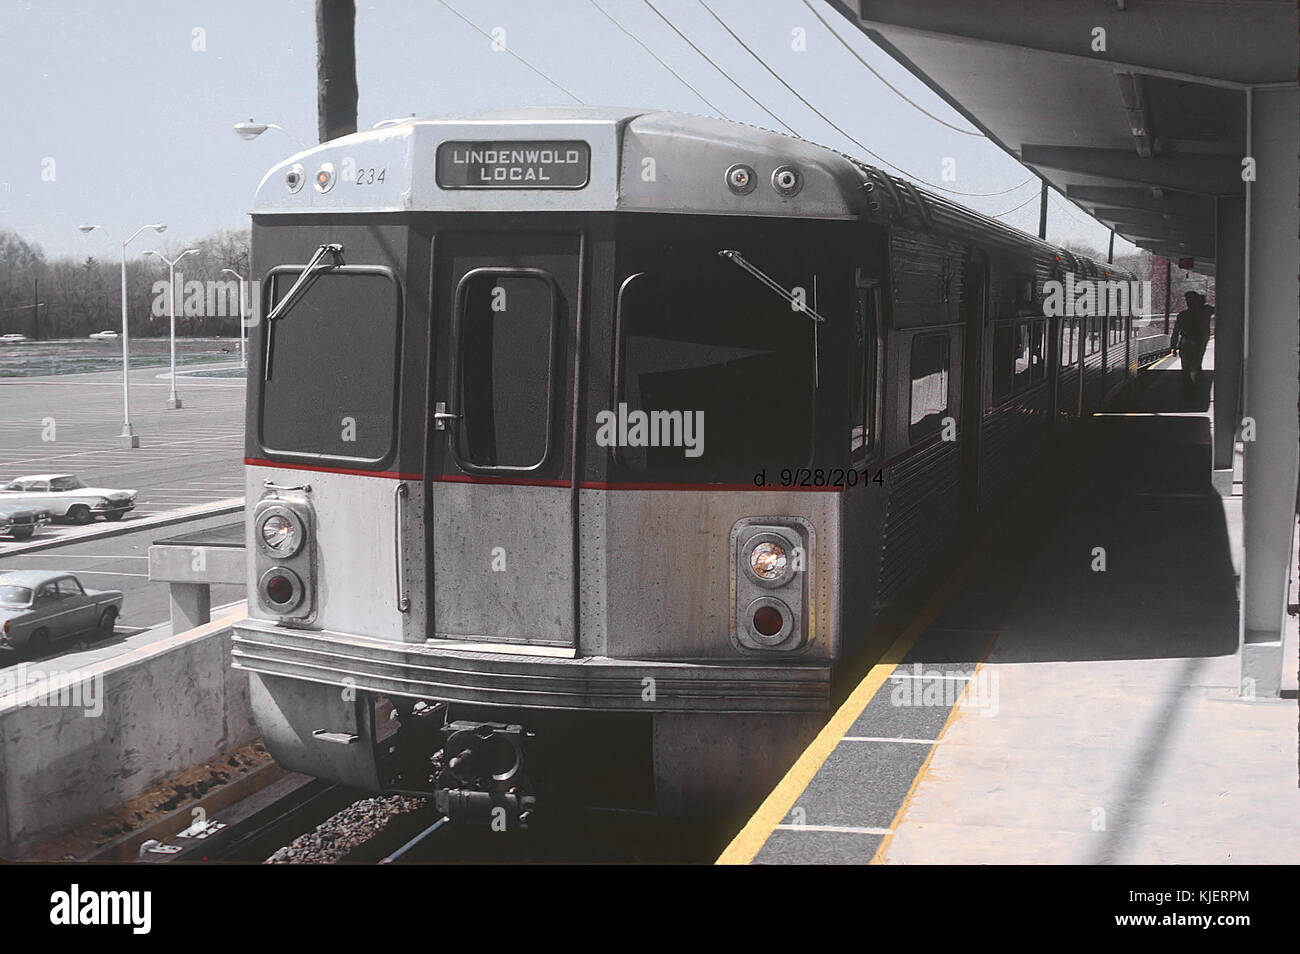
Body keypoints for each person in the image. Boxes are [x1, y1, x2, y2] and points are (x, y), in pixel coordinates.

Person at [1170, 290, 1213, 389]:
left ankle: (1188, 387)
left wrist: (1173, 347)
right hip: (1199, 342)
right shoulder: (1205, 311)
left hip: (1185, 342)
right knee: (1196, 365)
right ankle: (1194, 387)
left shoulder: (1182, 315)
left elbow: (1176, 331)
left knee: (1186, 368)